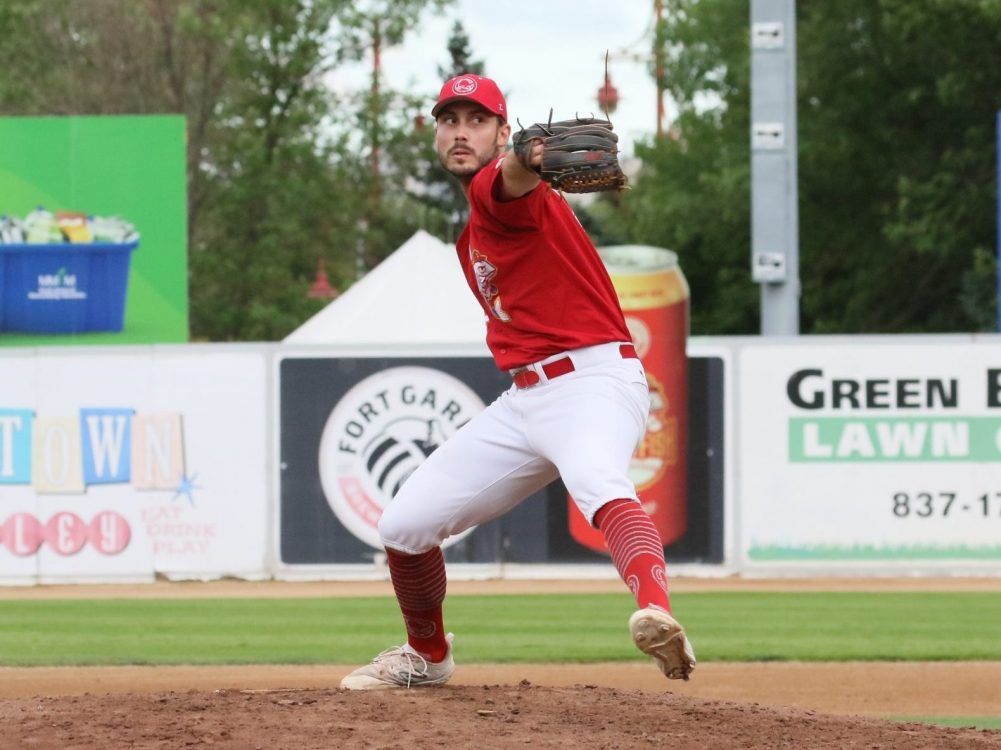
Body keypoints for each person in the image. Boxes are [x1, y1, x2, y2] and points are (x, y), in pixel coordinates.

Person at [340, 73, 696, 690]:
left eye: (477, 120)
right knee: (403, 526)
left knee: (598, 481)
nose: (460, 132)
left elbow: (513, 177)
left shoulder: (501, 193)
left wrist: (528, 155)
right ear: (436, 134)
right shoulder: (471, 234)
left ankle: (658, 613)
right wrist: (521, 159)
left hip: (593, 379)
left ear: (502, 132)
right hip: (527, 399)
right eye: (449, 120)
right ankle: (428, 655)